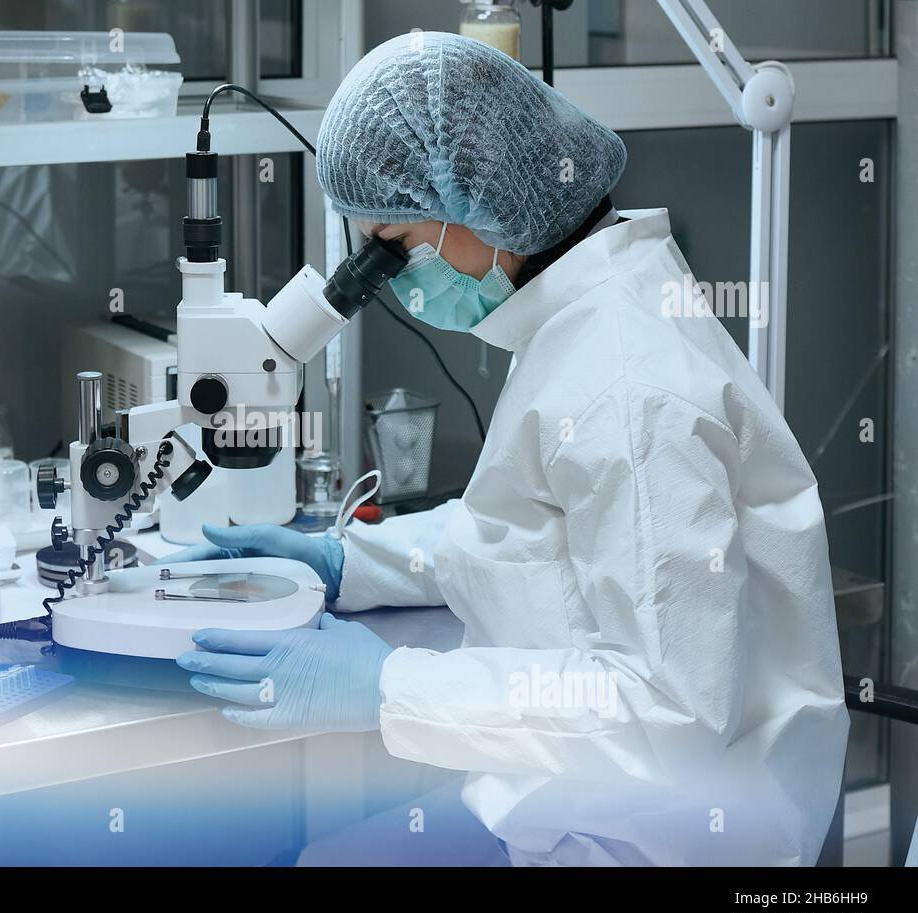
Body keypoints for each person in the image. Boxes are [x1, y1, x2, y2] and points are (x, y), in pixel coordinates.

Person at [172, 32, 848, 866]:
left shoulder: (628, 387)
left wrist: (391, 688)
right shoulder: (587, 317)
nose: (392, 279)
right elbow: (533, 537)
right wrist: (351, 562)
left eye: (393, 248)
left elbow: (669, 710)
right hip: (584, 809)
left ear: (477, 201)